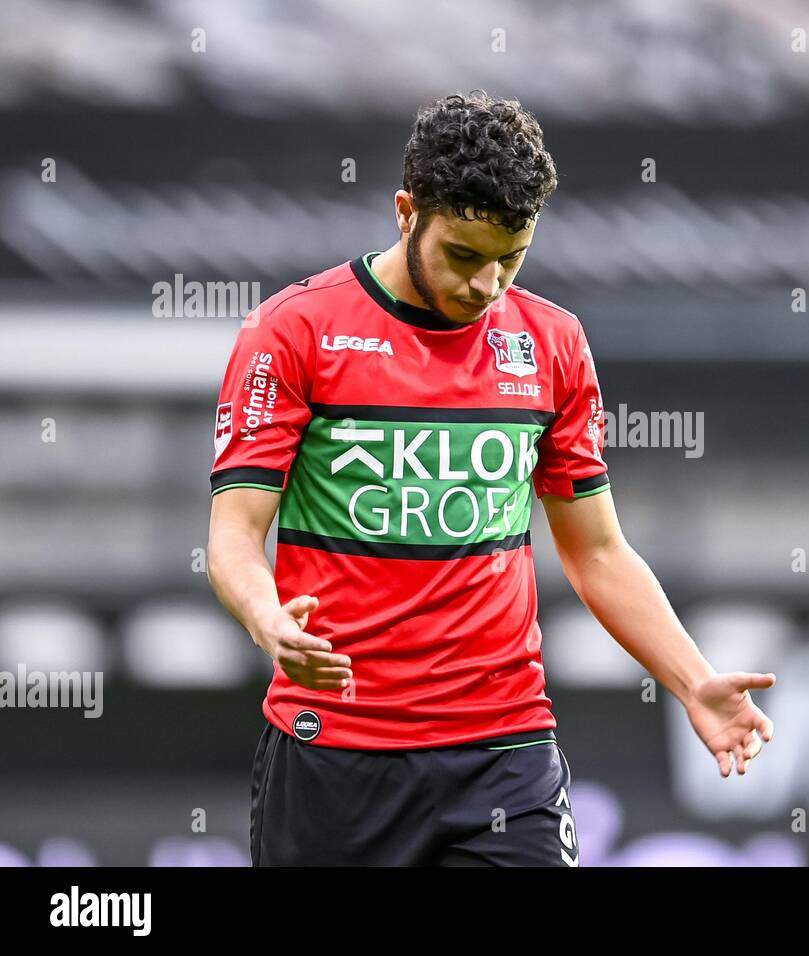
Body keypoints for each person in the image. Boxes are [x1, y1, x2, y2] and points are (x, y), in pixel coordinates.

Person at [205, 90, 775, 866]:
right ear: (407, 212)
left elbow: (598, 552)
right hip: (333, 752)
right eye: (464, 256)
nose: (487, 285)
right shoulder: (294, 330)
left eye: (513, 257)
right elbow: (235, 533)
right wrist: (265, 618)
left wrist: (692, 680)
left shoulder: (553, 343)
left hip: (503, 753)